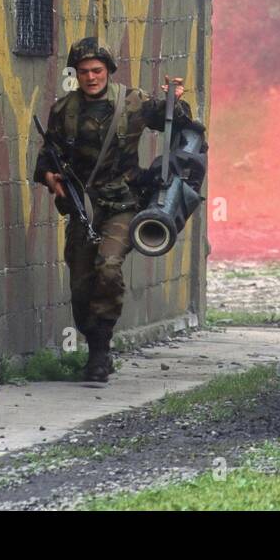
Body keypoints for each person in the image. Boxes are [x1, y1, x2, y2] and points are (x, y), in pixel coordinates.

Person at [33, 37, 194, 383]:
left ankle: (100, 352)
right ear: (75, 74)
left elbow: (177, 122)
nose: (91, 77)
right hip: (84, 206)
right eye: (84, 72)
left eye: (97, 70)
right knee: (80, 282)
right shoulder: (64, 110)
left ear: (108, 71)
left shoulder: (133, 102)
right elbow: (49, 154)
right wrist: (49, 176)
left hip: (123, 203)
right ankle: (92, 341)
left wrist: (175, 101)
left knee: (107, 266)